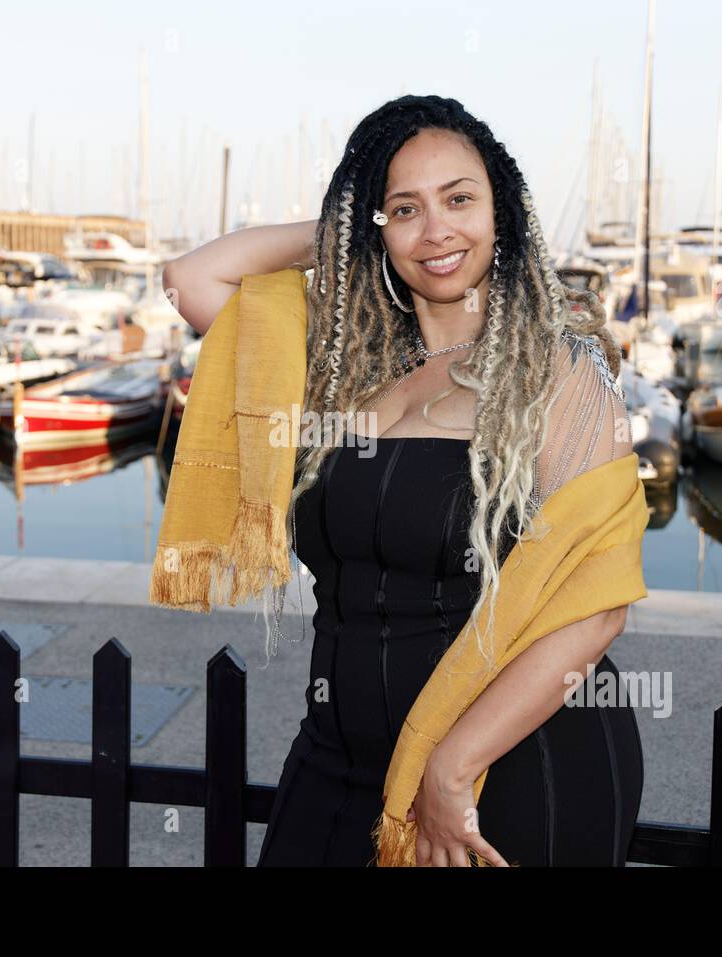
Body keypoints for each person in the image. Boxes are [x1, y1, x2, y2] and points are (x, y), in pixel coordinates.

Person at [163, 94, 643, 867]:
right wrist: (347, 233)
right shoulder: (338, 370)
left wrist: (450, 771)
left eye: (460, 199)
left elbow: (595, 609)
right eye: (404, 209)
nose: (438, 229)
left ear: (504, 213)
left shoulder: (560, 374)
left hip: (504, 765)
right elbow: (191, 277)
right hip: (337, 756)